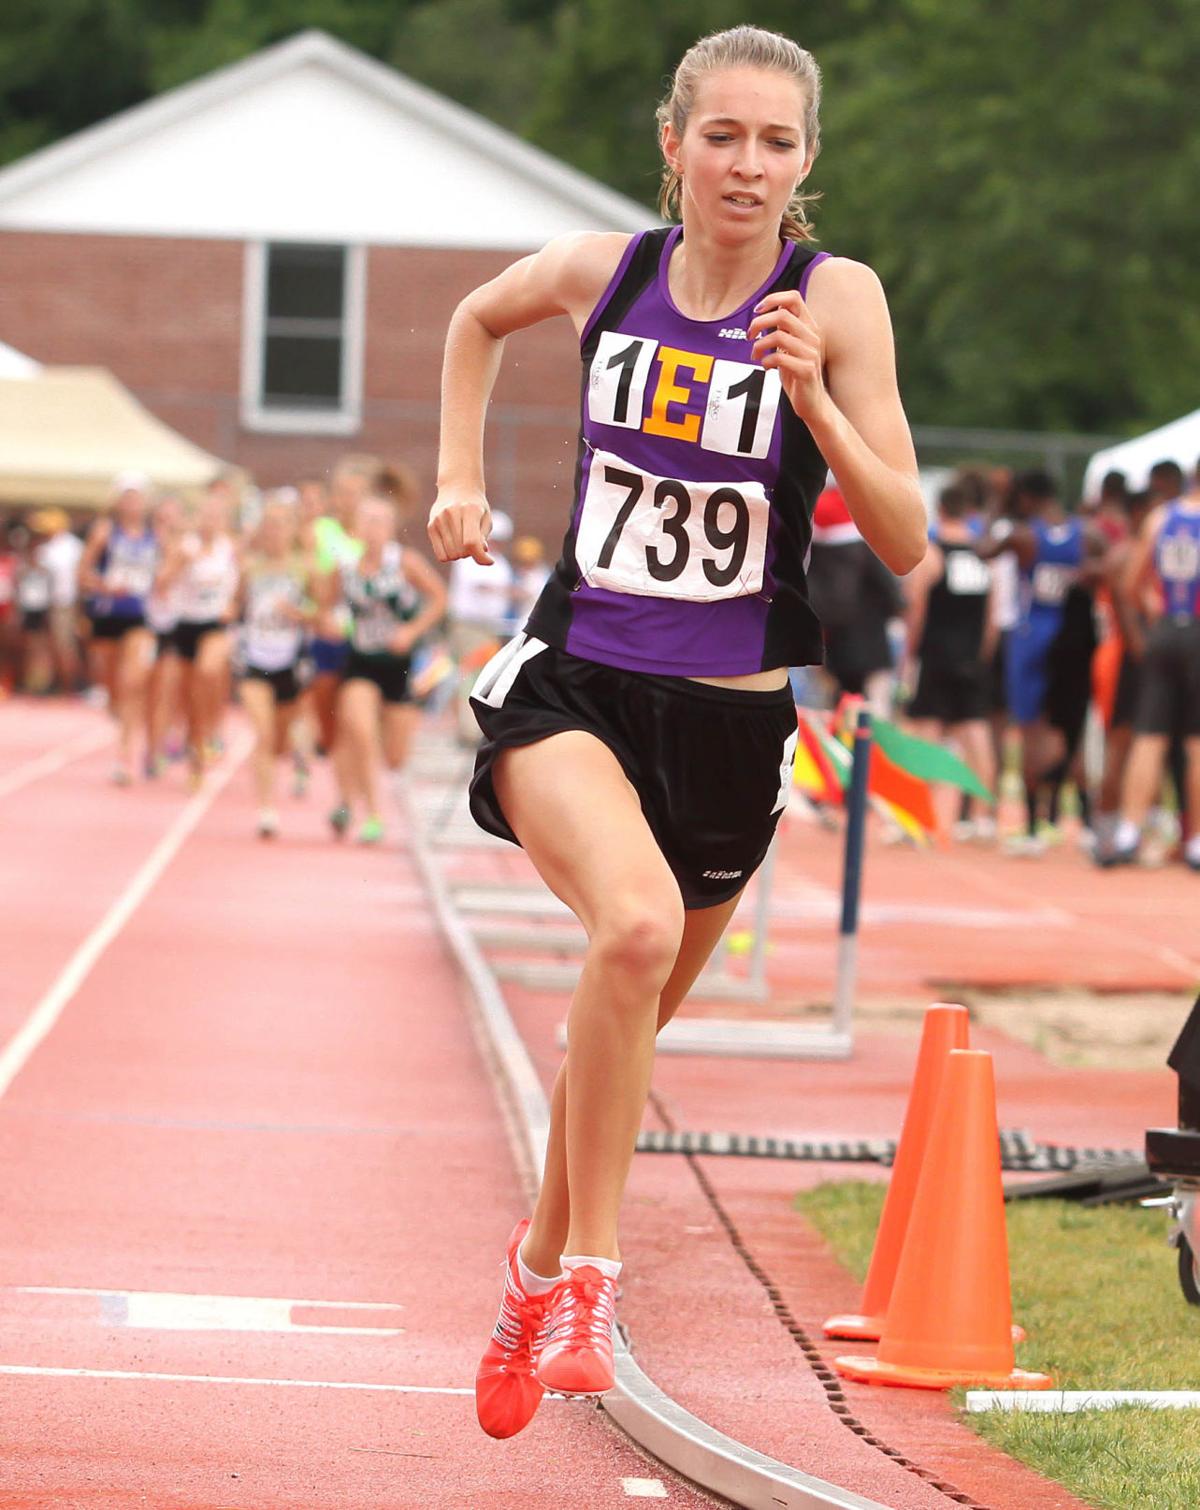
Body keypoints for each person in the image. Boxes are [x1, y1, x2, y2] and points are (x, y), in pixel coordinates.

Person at [427, 24, 925, 1439]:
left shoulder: (842, 297)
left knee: (619, 1026)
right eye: (723, 136)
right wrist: (455, 478)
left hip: (728, 728)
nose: (747, 166)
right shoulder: (610, 274)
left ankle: (529, 1275)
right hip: (577, 679)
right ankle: (591, 1274)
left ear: (807, 160)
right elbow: (475, 319)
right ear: (673, 142)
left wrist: (817, 394)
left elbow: (904, 539)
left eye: (776, 143)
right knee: (631, 933)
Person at [979, 471, 1106, 855]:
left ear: (1027, 498)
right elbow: (1108, 564)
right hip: (1073, 638)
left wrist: (999, 506)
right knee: (1071, 726)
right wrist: (1083, 577)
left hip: (1031, 635)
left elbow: (983, 548)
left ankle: (1034, 824)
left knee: (1031, 728)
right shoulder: (1088, 535)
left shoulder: (1022, 536)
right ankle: (1080, 819)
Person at [324, 488, 446, 844]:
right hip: (362, 660)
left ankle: (347, 798)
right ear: (356, 526)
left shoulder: (404, 562)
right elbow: (329, 607)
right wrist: (331, 621)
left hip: (401, 664)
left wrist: (411, 630)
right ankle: (371, 812)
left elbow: (439, 599)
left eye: (378, 521)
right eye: (365, 520)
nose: (371, 528)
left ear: (391, 527)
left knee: (393, 756)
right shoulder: (344, 566)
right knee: (359, 730)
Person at [1100, 461, 1200, 870]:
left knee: (1149, 734)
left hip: (1164, 633)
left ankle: (1128, 831)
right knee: (1196, 742)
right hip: (1196, 630)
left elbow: (1129, 582)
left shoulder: (1162, 517)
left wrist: (1156, 610)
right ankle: (1195, 841)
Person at [902, 480, 998, 835]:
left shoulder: (933, 553)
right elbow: (991, 620)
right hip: (971, 659)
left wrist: (909, 658)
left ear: (939, 509)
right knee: (976, 734)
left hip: (936, 656)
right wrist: (979, 657)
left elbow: (915, 611)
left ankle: (915, 816)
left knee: (923, 733)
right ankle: (984, 818)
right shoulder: (982, 556)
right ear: (969, 513)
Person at [236, 497, 316, 837]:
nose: (274, 531)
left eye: (281, 523)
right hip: (253, 660)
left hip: (290, 662)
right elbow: (235, 607)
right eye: (268, 524)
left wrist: (298, 614)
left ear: (293, 529)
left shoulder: (306, 568)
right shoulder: (249, 568)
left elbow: (323, 613)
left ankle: (295, 752)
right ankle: (266, 809)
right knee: (264, 734)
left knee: (280, 742)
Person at [77, 473, 159, 783]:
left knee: (133, 683)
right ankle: (117, 715)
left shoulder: (156, 535)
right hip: (107, 614)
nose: (133, 504)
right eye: (128, 497)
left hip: (140, 617)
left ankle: (124, 756)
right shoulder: (105, 532)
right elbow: (82, 574)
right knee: (113, 689)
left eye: (138, 498)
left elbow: (164, 575)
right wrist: (105, 586)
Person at [158, 484, 240, 786]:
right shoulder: (184, 547)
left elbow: (241, 587)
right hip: (186, 625)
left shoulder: (229, 548)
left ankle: (212, 730)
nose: (211, 521)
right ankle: (196, 760)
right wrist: (180, 565)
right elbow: (162, 583)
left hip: (214, 624)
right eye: (206, 515)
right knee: (189, 697)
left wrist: (233, 605)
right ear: (197, 518)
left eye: (217, 516)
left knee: (209, 671)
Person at [33, 509, 84, 694]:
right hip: (51, 603)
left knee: (65, 645)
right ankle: (58, 682)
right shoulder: (54, 547)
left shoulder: (67, 547)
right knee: (53, 645)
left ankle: (71, 685)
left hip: (64, 603)